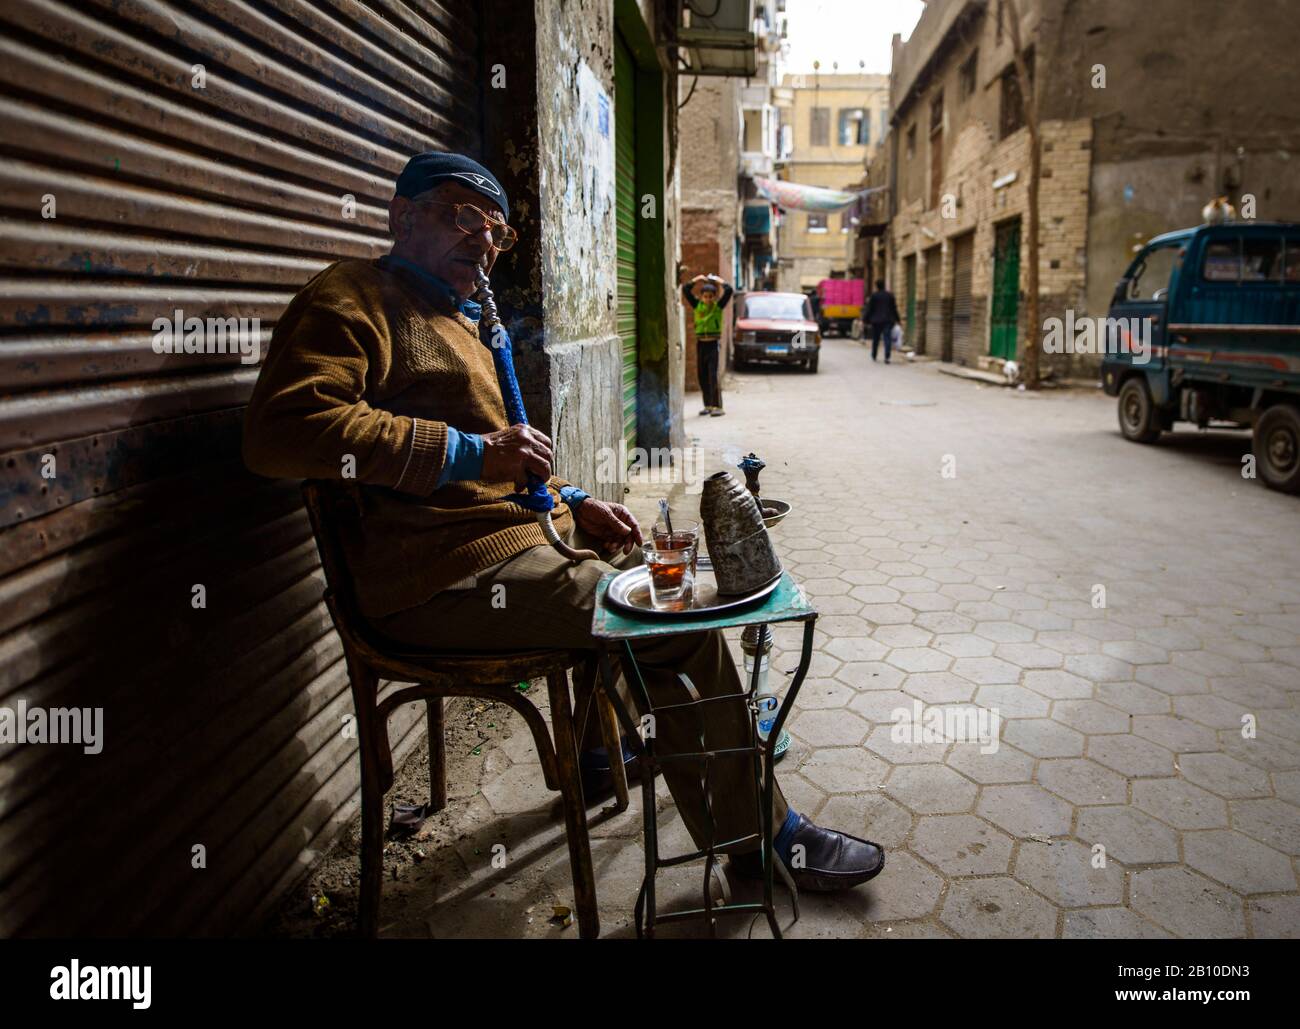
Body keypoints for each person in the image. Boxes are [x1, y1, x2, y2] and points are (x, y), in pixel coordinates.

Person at [242, 150, 884, 895]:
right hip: (439, 576)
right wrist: (471, 454)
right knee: (675, 624)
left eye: (496, 230)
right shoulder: (351, 298)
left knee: (644, 576)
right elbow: (281, 433)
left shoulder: (464, 321)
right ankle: (766, 836)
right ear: (402, 214)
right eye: (461, 217)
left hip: (508, 545)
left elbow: (503, 455)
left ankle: (613, 759)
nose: (483, 240)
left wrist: (574, 500)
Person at [680, 273, 732, 416]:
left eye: (710, 297)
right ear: (701, 297)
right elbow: (685, 289)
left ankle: (717, 407)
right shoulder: (697, 306)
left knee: (712, 375)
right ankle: (707, 405)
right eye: (705, 296)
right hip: (701, 345)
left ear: (714, 297)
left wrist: (717, 280)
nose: (708, 299)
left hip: (713, 344)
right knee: (702, 375)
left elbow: (729, 290)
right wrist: (697, 279)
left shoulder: (718, 307)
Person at [864, 278, 902, 363]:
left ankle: (874, 355)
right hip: (887, 320)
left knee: (876, 338)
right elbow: (894, 309)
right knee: (887, 338)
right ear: (884, 285)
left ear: (876, 286)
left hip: (876, 321)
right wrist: (898, 319)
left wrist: (865, 320)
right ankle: (887, 357)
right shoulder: (890, 295)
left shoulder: (874, 296)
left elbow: (869, 309)